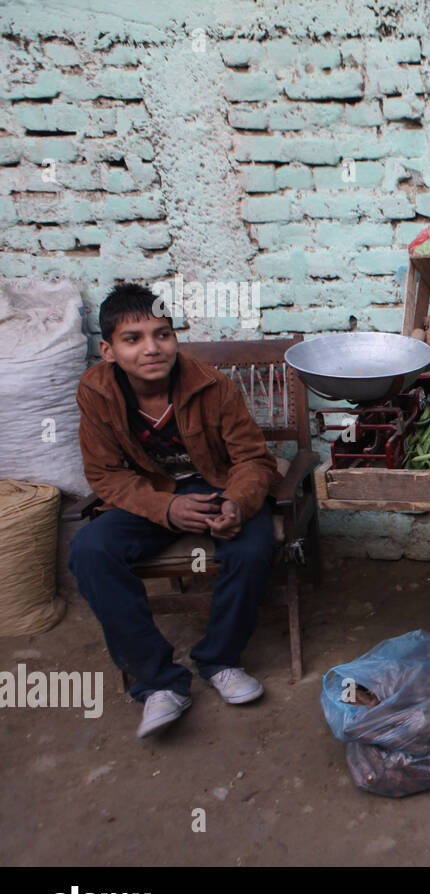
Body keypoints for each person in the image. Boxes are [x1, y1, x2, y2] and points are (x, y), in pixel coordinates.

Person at [68, 282, 280, 738]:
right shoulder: (96, 392)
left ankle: (220, 659)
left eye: (162, 334)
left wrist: (236, 504)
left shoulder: (212, 385)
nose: (152, 348)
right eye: (133, 339)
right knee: (89, 551)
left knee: (252, 547)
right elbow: (105, 474)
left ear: (174, 338)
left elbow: (251, 459)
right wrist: (166, 508)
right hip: (148, 496)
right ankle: (158, 682)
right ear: (108, 350)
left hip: (217, 487)